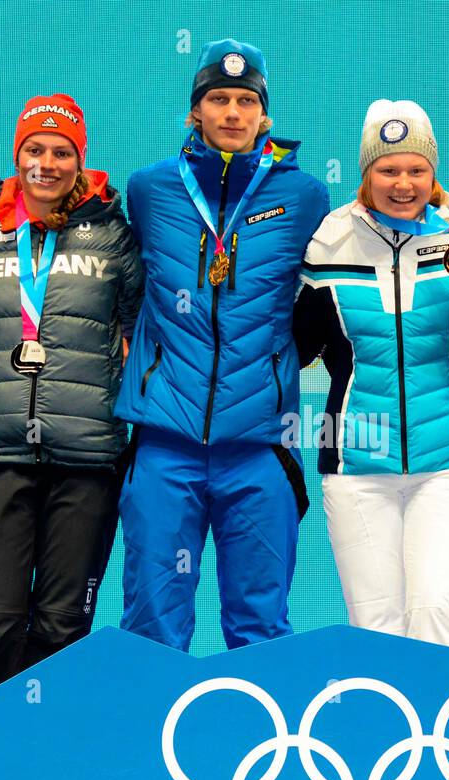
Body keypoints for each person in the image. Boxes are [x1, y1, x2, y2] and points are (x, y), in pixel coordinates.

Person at [294, 100, 449, 650]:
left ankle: (446, 738)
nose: (402, 183)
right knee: (375, 631)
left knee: (436, 616)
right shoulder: (328, 244)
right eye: (387, 169)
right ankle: (387, 738)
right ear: (367, 173)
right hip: (357, 467)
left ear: (433, 175)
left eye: (415, 169)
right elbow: (295, 347)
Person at [113, 39, 329, 651]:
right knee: (152, 626)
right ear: (195, 111)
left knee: (261, 629)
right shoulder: (151, 190)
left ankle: (266, 746)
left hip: (260, 447)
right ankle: (147, 746)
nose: (232, 112)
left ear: (264, 115)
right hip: (164, 444)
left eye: (245, 101)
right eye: (218, 99)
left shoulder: (305, 196)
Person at [0, 95, 144, 705]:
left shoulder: (114, 233)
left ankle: (50, 774)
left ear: (79, 160)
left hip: (86, 457)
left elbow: (143, 332)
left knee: (63, 628)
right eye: (35, 149)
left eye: (62, 152)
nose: (47, 162)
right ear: (18, 156)